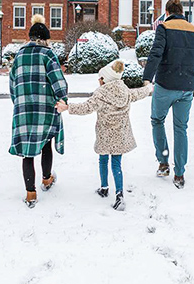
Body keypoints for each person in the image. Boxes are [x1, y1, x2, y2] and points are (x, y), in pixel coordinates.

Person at [56, 60, 152, 211]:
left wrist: (67, 107)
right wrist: (148, 88)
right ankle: (119, 194)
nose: (99, 81)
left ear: (104, 79)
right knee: (116, 164)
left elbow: (86, 107)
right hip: (120, 135)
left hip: (104, 134)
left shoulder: (100, 94)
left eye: (100, 78)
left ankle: (104, 187)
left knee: (103, 159)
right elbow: (139, 93)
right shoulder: (125, 91)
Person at [142, 0, 194, 189]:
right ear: (182, 11)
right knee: (181, 128)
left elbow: (156, 53)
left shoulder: (164, 28)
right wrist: (193, 78)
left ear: (167, 11)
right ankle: (179, 173)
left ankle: (163, 163)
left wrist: (147, 78)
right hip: (186, 89)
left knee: (157, 120)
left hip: (165, 85)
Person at [9, 14, 68, 208]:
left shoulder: (19, 56)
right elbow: (58, 82)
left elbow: (12, 84)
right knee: (45, 144)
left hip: (24, 109)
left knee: (27, 152)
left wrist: (19, 103)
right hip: (45, 108)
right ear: (44, 39)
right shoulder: (47, 54)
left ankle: (30, 193)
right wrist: (62, 98)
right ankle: (46, 178)